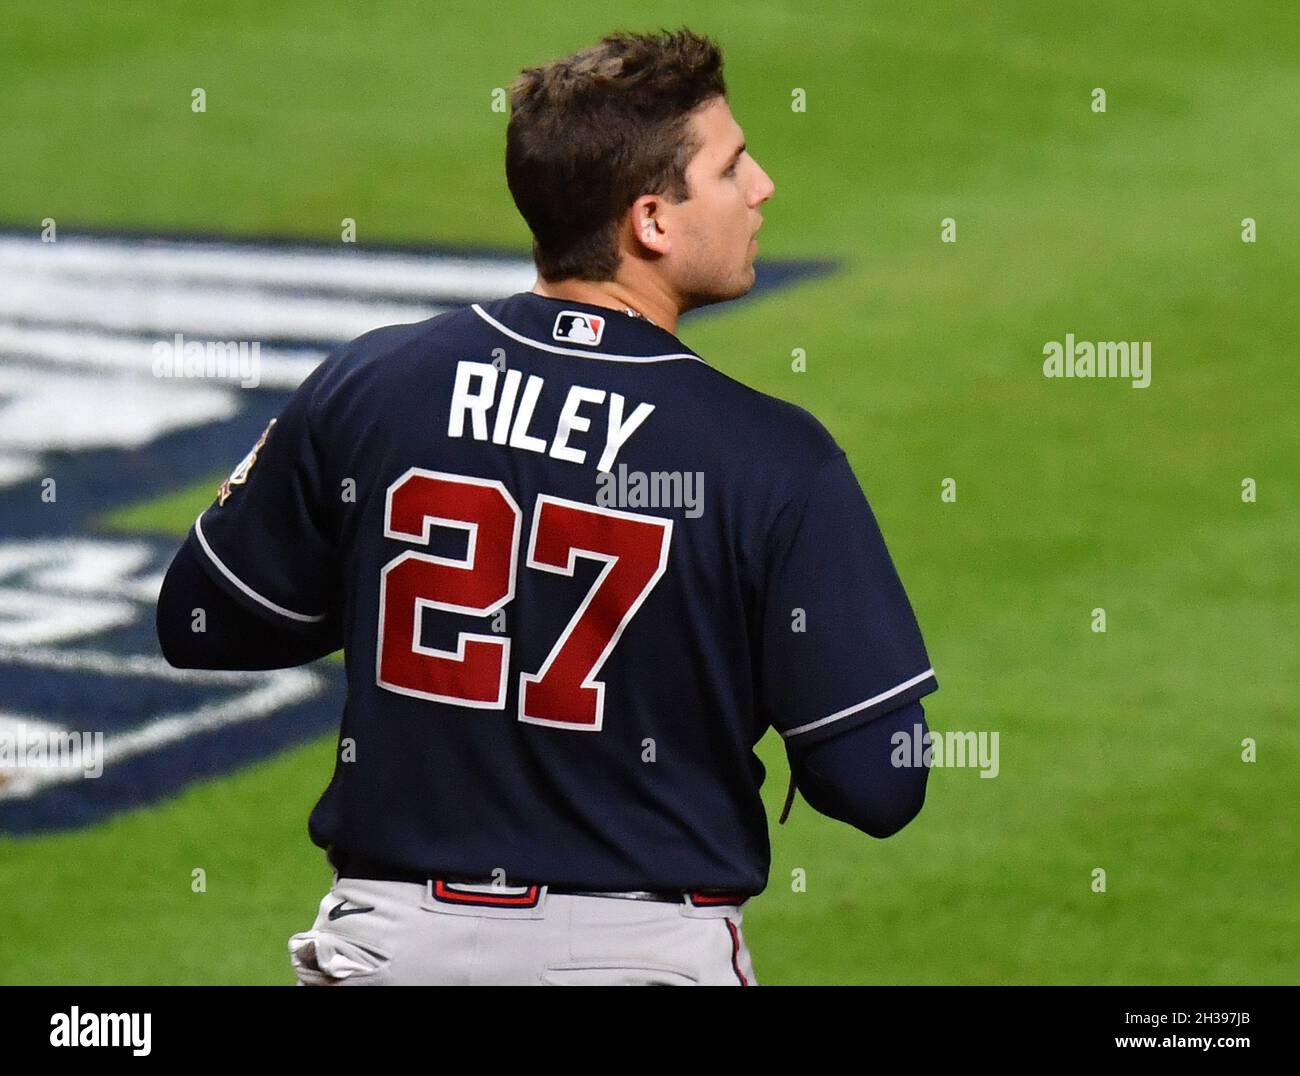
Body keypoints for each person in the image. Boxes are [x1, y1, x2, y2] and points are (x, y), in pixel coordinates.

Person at [156, 26, 937, 987]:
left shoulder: (373, 384)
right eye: (733, 168)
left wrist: (392, 581)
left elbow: (201, 621)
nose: (762, 186)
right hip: (641, 962)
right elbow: (879, 784)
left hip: (393, 953)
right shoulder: (773, 459)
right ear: (651, 221)